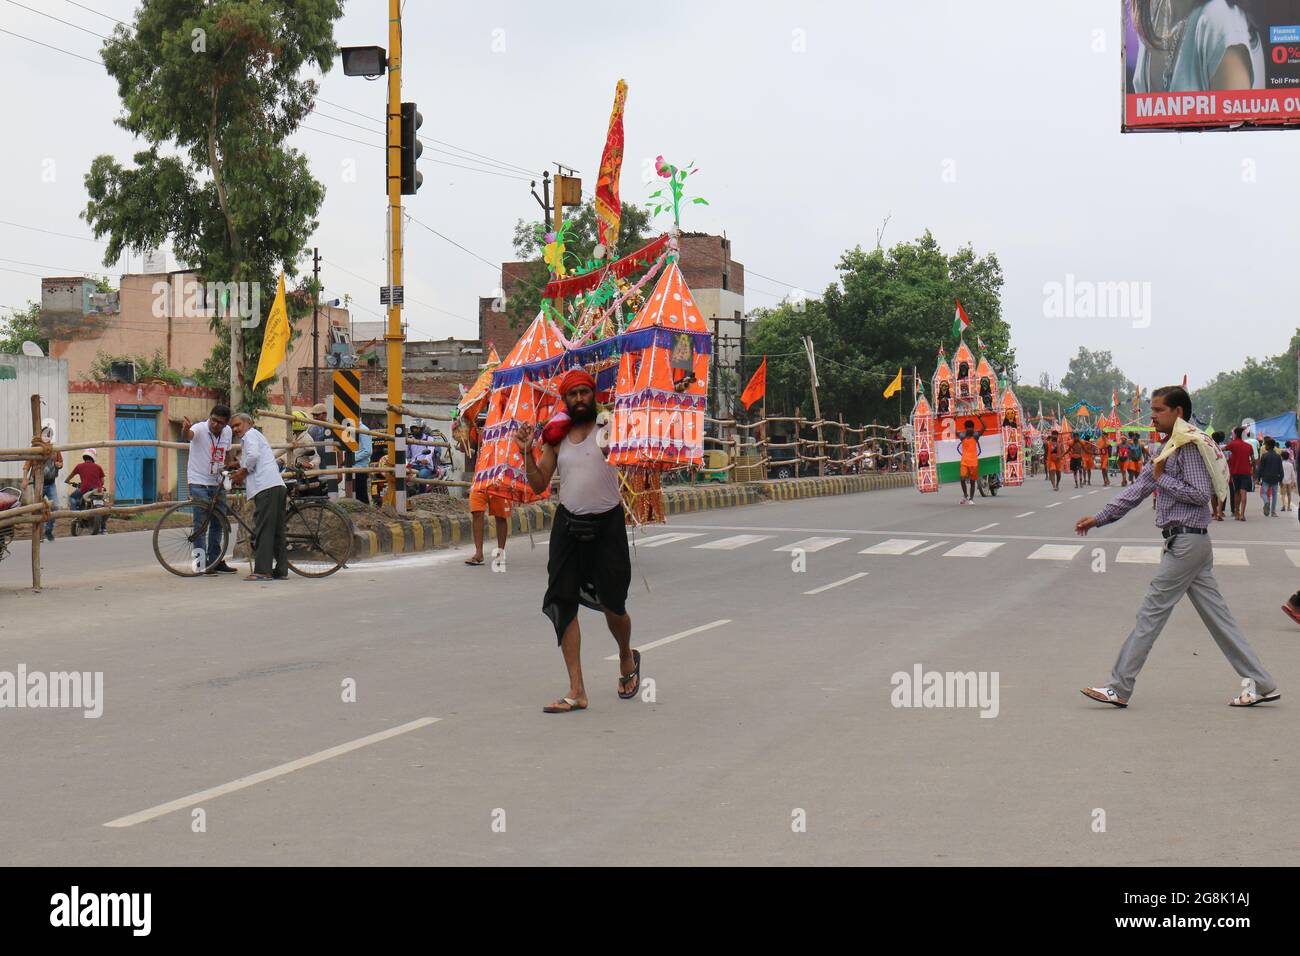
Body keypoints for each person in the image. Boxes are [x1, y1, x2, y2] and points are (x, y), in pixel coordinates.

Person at [1076, 386, 1278, 708]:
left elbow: (1201, 494)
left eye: (1158, 411)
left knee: (1150, 613)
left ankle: (1119, 686)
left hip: (1186, 542)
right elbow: (1138, 490)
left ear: (1178, 413)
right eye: (1152, 410)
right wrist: (1099, 519)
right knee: (1219, 619)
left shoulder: (1188, 447)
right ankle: (1261, 683)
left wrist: (1162, 479)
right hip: (1188, 542)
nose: (1152, 416)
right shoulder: (1168, 449)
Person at [516, 367, 639, 714]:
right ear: (565, 399)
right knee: (563, 601)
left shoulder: (609, 426)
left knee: (614, 606)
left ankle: (626, 655)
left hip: (608, 526)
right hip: (568, 526)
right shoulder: (556, 436)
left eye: (585, 392)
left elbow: (629, 452)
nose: (580, 399)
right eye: (573, 394)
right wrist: (526, 452)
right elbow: (539, 483)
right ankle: (577, 689)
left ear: (593, 394)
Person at [229, 413, 287, 582]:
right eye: (233, 427)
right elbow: (251, 458)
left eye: (238, 425)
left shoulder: (250, 435)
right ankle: (281, 570)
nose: (236, 429)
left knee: (264, 529)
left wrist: (242, 472)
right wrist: (237, 466)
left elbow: (253, 457)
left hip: (266, 487)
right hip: (275, 485)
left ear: (249, 423)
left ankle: (263, 571)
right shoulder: (254, 437)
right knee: (277, 531)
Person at [182, 404, 237, 574]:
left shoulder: (227, 432)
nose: (215, 425)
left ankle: (215, 560)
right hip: (198, 482)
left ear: (225, 424)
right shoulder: (199, 428)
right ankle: (200, 564)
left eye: (220, 423)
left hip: (218, 482)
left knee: (218, 523)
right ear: (210, 417)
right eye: (213, 420)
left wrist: (230, 466)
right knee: (200, 523)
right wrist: (185, 429)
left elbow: (227, 453)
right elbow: (188, 436)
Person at [20, 421, 62, 542]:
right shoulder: (35, 449)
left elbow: (60, 462)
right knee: (38, 509)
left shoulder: (55, 450)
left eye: (49, 435)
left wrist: (59, 465)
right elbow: (27, 465)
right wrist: (25, 479)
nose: (47, 437)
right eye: (45, 434)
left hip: (51, 483)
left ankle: (48, 530)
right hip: (39, 484)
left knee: (56, 507)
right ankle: (39, 535)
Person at [1224, 426, 1254, 521]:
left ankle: (1236, 513)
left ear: (1235, 434)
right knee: (1243, 493)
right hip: (1246, 472)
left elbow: (1222, 450)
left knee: (1236, 492)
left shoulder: (1232, 444)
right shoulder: (1249, 446)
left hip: (1235, 472)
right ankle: (1242, 514)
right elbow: (1253, 460)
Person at [955, 418, 987, 504]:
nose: (970, 429)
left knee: (973, 482)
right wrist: (954, 421)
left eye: (971, 427)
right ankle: (965, 495)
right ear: (965, 428)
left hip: (973, 462)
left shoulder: (976, 435)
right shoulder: (962, 436)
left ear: (973, 428)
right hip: (964, 461)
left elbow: (984, 427)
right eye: (968, 427)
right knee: (962, 479)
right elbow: (953, 431)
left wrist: (980, 418)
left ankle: (971, 499)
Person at [1258, 437, 1283, 517]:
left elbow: (1261, 468)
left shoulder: (1264, 456)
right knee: (1274, 494)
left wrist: (1259, 477)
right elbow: (1280, 468)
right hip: (1275, 478)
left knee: (1263, 493)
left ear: (1268, 446)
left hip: (1266, 478)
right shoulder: (1278, 456)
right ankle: (1273, 512)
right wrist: (1281, 479)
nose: (1265, 446)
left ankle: (1266, 502)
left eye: (1266, 445)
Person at [1281, 449, 1295, 513]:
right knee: (1289, 494)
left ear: (1282, 457)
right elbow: (1293, 474)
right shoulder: (1290, 465)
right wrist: (1294, 482)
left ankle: (1283, 505)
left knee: (1283, 494)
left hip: (1283, 481)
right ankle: (1289, 507)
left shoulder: (1281, 464)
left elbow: (1279, 473)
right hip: (1289, 481)